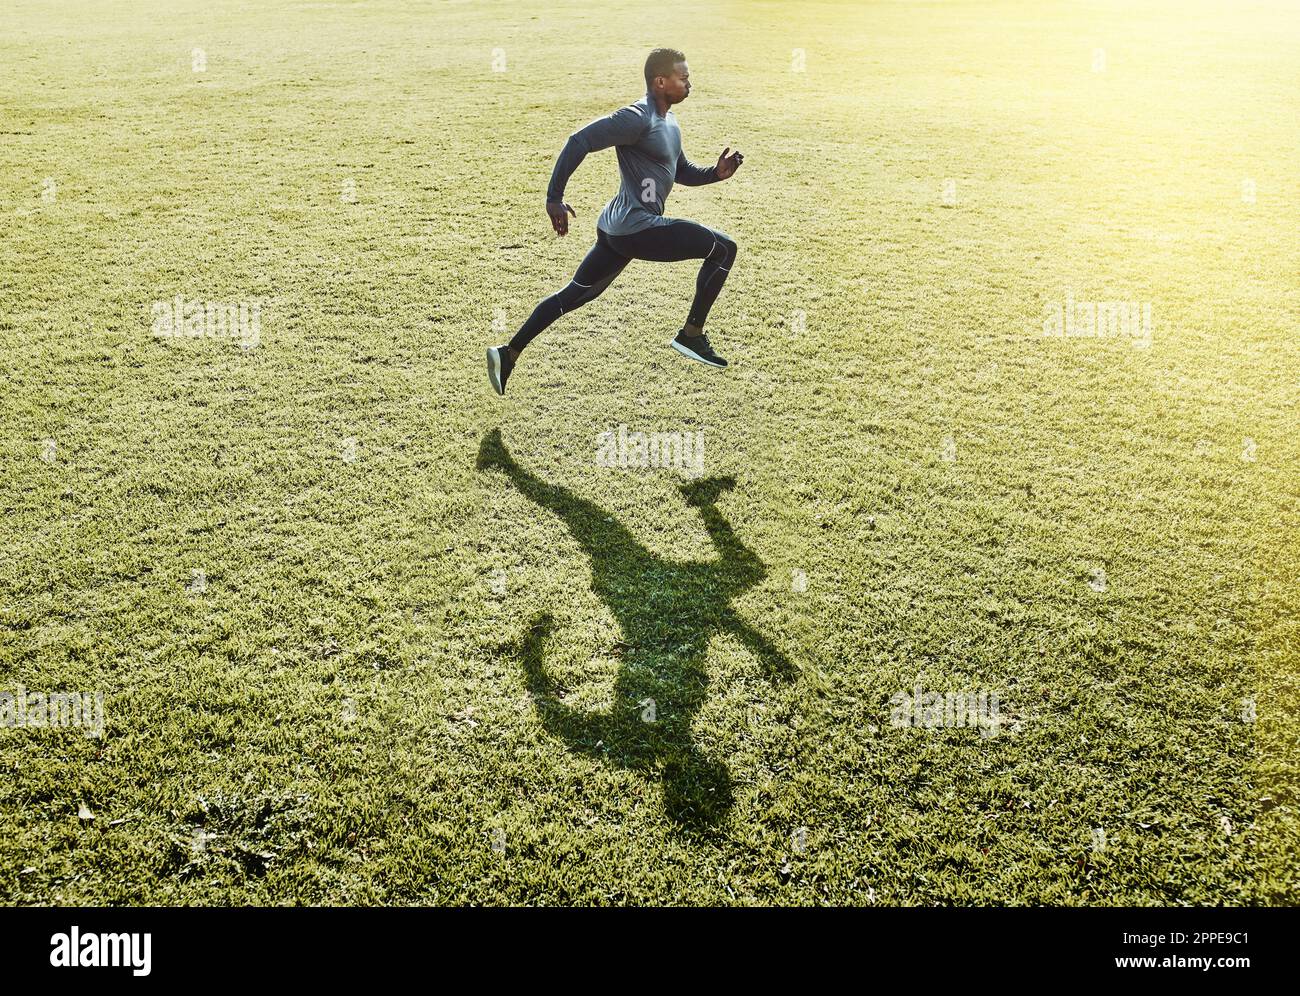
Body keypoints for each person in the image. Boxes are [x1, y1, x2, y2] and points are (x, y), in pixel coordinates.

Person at [487, 47, 744, 396]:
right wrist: (554, 198)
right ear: (660, 81)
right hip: (637, 228)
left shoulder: (668, 121)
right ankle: (692, 335)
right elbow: (580, 140)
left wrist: (715, 173)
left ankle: (508, 352)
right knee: (724, 248)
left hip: (617, 229)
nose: (689, 83)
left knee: (575, 295)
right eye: (683, 77)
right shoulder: (637, 117)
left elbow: (679, 170)